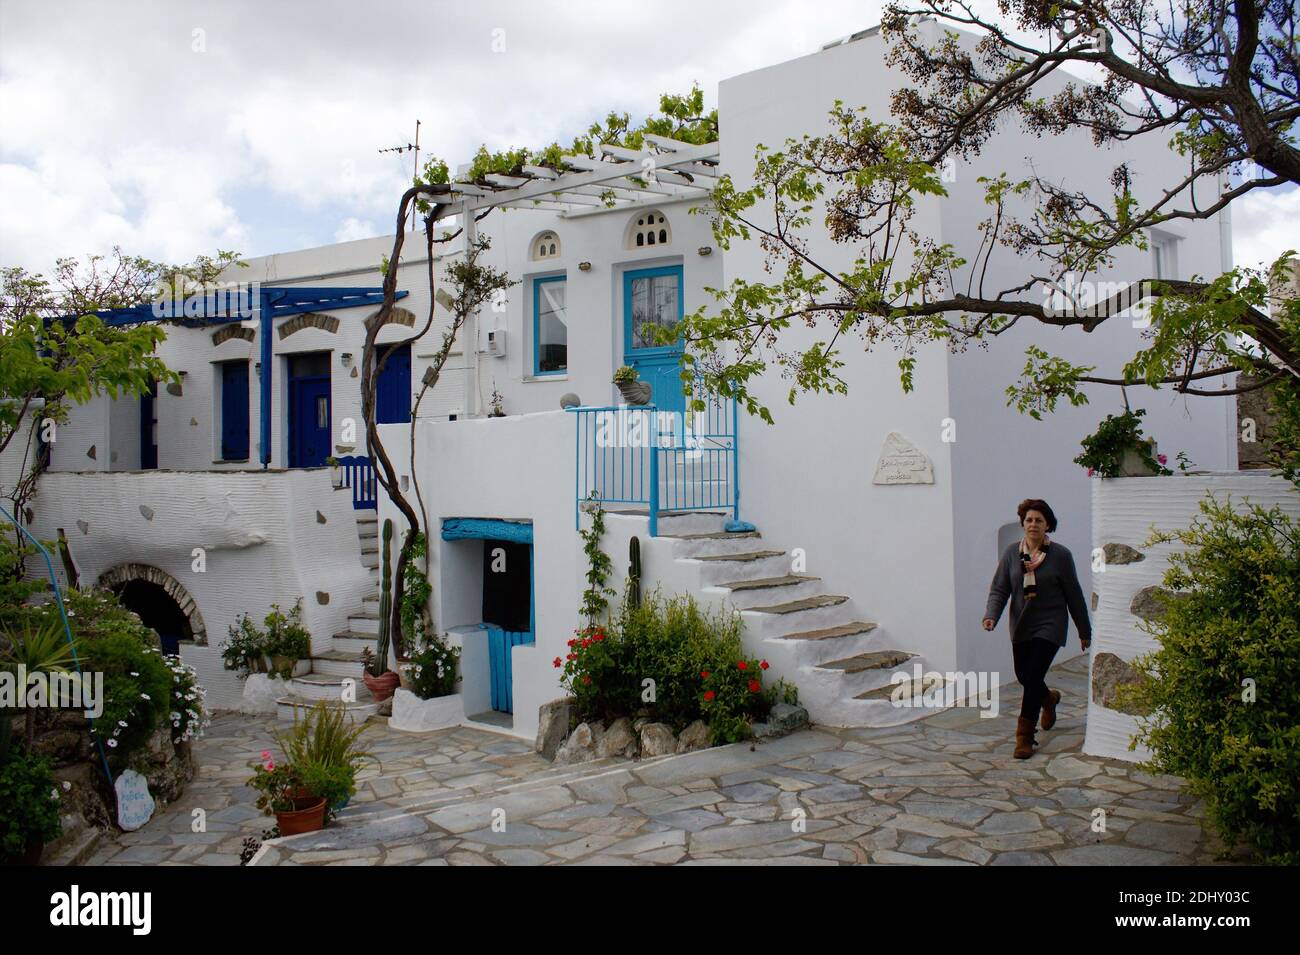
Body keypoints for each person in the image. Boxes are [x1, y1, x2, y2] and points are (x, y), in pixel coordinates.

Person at [983, 499, 1092, 759]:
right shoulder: (1011, 553)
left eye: (1039, 521)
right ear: (1023, 523)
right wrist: (991, 615)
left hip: (1050, 623)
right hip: (1022, 623)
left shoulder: (1061, 556)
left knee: (1032, 676)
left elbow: (1074, 594)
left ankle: (1024, 736)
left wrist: (1084, 630)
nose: (1033, 524)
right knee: (1024, 675)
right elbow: (1000, 588)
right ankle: (1049, 699)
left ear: (1047, 525)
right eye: (1029, 520)